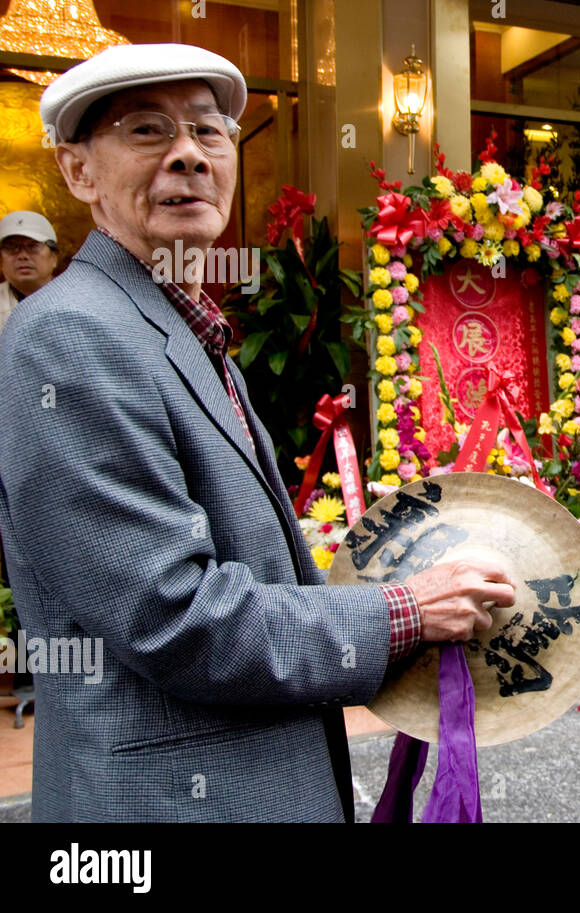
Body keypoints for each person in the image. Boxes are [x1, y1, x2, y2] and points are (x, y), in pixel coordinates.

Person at [0, 43, 514, 822]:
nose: (188, 156)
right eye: (146, 131)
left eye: (209, 133)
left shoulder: (190, 336)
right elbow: (172, 613)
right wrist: (405, 609)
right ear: (78, 173)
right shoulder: (71, 334)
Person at [0, 211, 59, 334]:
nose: (22, 256)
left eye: (33, 247)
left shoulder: (77, 299)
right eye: (11, 248)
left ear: (53, 258)